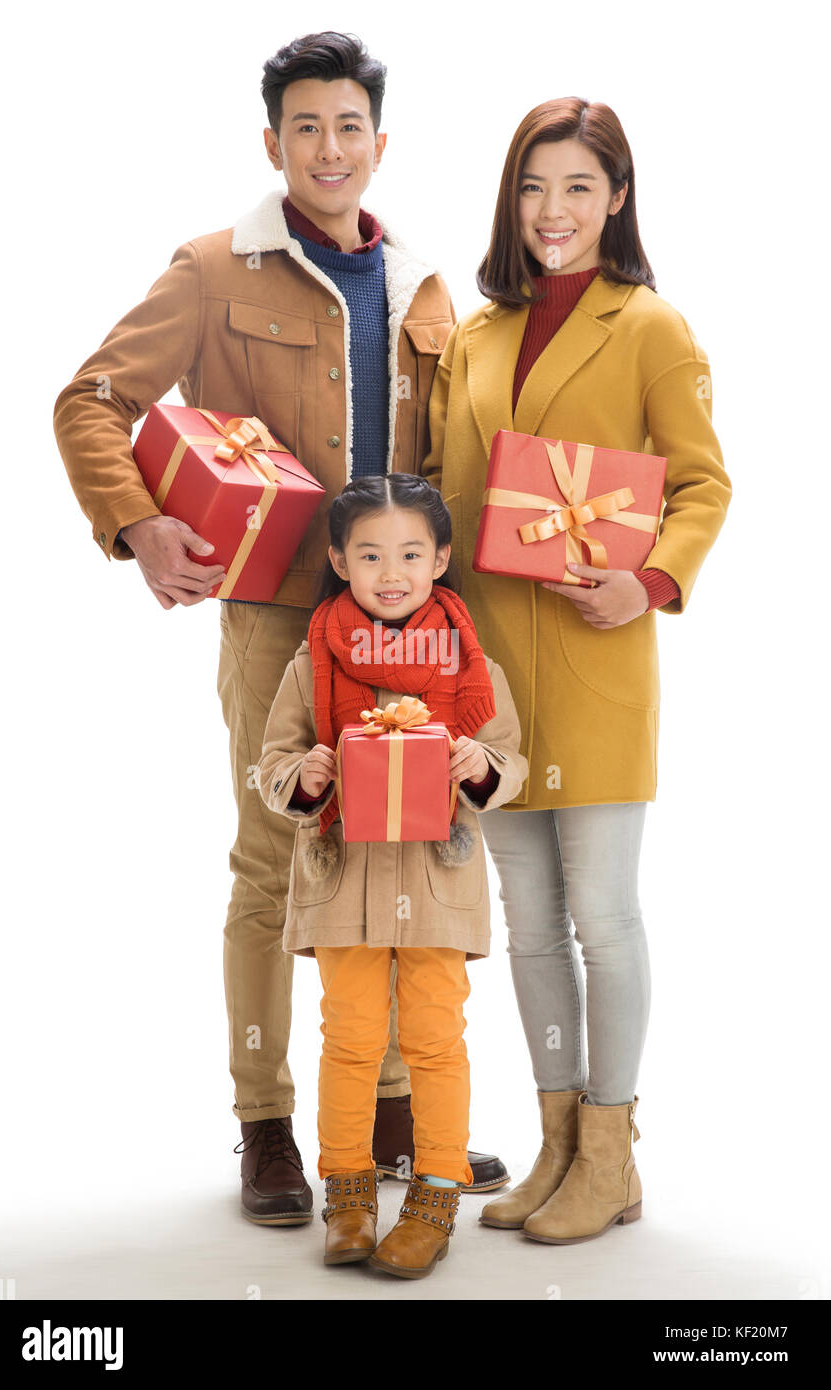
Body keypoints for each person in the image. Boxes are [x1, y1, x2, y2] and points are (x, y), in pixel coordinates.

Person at [51, 30, 508, 1228]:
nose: (327, 147)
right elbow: (92, 401)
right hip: (270, 616)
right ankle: (266, 1125)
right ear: (273, 143)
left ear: (377, 142)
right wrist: (138, 525)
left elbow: (447, 458)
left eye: (347, 126)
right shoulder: (213, 270)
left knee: (402, 843)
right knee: (274, 859)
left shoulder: (421, 285)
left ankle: (402, 1111)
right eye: (303, 126)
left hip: (399, 615)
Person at [419, 97, 732, 1244]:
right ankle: (555, 1143)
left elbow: (702, 484)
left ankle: (610, 1148)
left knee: (602, 917)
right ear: (512, 199)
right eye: (533, 188)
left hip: (600, 659)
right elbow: (452, 506)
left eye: (578, 189)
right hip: (490, 678)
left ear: (615, 199)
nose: (553, 212)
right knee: (530, 921)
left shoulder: (651, 327)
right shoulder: (478, 337)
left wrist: (645, 582)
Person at [258, 474, 528, 1277]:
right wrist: (304, 775)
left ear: (441, 558)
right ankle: (346, 1196)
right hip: (345, 885)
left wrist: (481, 765)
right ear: (339, 559)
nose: (391, 571)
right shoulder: (314, 661)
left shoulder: (470, 662)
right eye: (370, 554)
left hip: (439, 888)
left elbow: (510, 759)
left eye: (411, 552)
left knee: (437, 1041)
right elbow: (272, 762)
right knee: (349, 1040)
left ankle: (435, 1199)